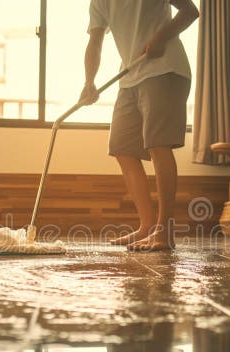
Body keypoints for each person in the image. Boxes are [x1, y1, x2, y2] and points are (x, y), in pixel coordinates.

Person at [80, 0, 200, 251]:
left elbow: (190, 11)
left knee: (158, 145)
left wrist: (160, 37)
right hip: (129, 77)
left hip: (165, 69)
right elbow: (95, 42)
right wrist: (89, 82)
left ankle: (164, 231)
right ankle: (146, 226)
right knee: (122, 149)